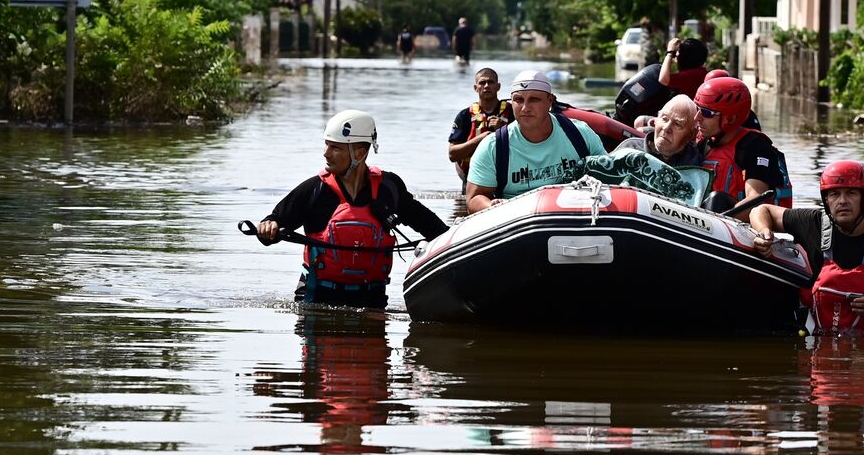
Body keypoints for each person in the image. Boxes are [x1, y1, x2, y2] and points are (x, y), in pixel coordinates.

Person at [256, 109, 448, 309]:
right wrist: (268, 228)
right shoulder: (315, 189)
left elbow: (434, 229)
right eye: (326, 145)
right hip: (316, 298)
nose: (326, 153)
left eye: (336, 148)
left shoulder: (388, 188)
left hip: (372, 299)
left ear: (360, 153)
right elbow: (274, 222)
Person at [749, 160, 864, 330]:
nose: (843, 201)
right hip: (821, 343)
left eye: (851, 193)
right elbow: (762, 210)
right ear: (826, 200)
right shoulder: (812, 224)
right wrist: (764, 232)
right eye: (835, 194)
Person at [465, 70, 607, 213]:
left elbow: (608, 178)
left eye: (534, 100)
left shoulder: (580, 133)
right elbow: (474, 198)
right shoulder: (492, 147)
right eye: (519, 100)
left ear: (549, 101)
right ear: (511, 102)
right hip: (516, 220)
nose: (525, 108)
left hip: (574, 214)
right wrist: (491, 206)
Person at [693, 76, 791, 217]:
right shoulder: (703, 142)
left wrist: (715, 221)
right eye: (697, 109)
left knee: (716, 200)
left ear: (731, 118)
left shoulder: (756, 147)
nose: (697, 117)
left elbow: (755, 199)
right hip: (704, 217)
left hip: (741, 225)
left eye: (706, 113)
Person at [448, 67, 513, 188]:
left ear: (498, 86)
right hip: (474, 179)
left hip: (507, 179)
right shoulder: (465, 115)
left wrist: (504, 130)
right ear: (475, 88)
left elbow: (528, 144)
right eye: (482, 82)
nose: (487, 86)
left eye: (491, 82)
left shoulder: (513, 112)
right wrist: (481, 139)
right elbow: (452, 155)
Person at [614, 94, 703, 167]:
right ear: (655, 121)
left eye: (677, 124)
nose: (666, 128)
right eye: (664, 118)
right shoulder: (629, 149)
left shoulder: (694, 163)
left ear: (691, 135)